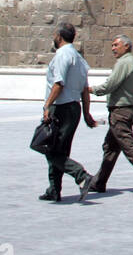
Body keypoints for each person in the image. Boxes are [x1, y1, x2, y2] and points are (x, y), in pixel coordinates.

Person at [91, 35, 133, 195]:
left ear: (127, 46)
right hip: (128, 111)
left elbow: (110, 85)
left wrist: (91, 90)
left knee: (128, 146)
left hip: (120, 112)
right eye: (112, 45)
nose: (113, 48)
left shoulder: (123, 63)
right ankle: (99, 182)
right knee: (110, 147)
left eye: (116, 45)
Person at [40, 21, 98, 202]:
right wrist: (87, 113)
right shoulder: (79, 58)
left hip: (61, 107)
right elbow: (84, 89)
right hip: (74, 108)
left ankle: (81, 176)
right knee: (59, 149)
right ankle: (54, 189)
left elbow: (58, 84)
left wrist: (47, 105)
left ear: (59, 36)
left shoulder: (62, 55)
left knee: (49, 149)